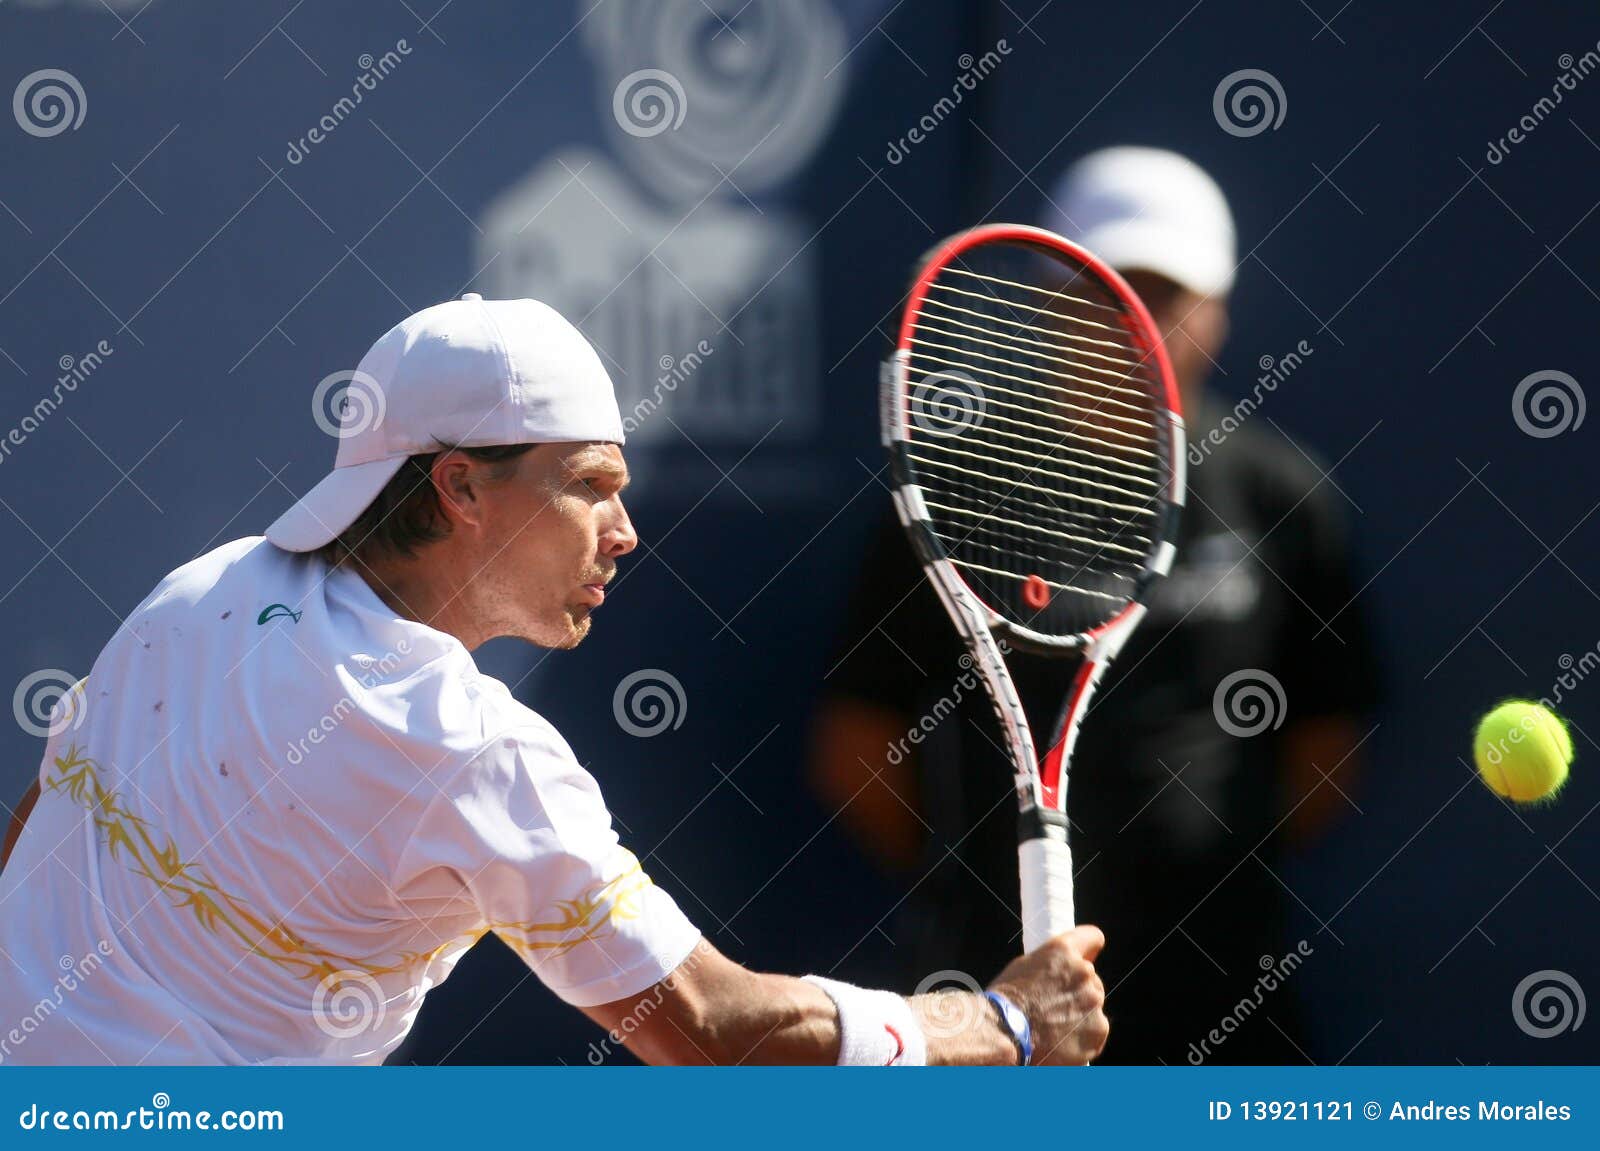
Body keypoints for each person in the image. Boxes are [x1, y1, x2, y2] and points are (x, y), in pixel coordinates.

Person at [0, 294, 1106, 1066]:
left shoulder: (201, 591)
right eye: (589, 485)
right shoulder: (470, 749)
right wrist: (996, 1026)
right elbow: (716, 1034)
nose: (624, 532)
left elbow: (29, 840)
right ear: (459, 489)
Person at [811, 148, 1381, 1064]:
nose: (1130, 321)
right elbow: (857, 749)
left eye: (1162, 295)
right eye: (1104, 290)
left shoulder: (1285, 494)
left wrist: (1205, 879)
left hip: (1230, 1001)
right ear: (1047, 301)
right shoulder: (951, 497)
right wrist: (984, 897)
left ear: (1217, 312)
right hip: (993, 1004)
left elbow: (1326, 749)